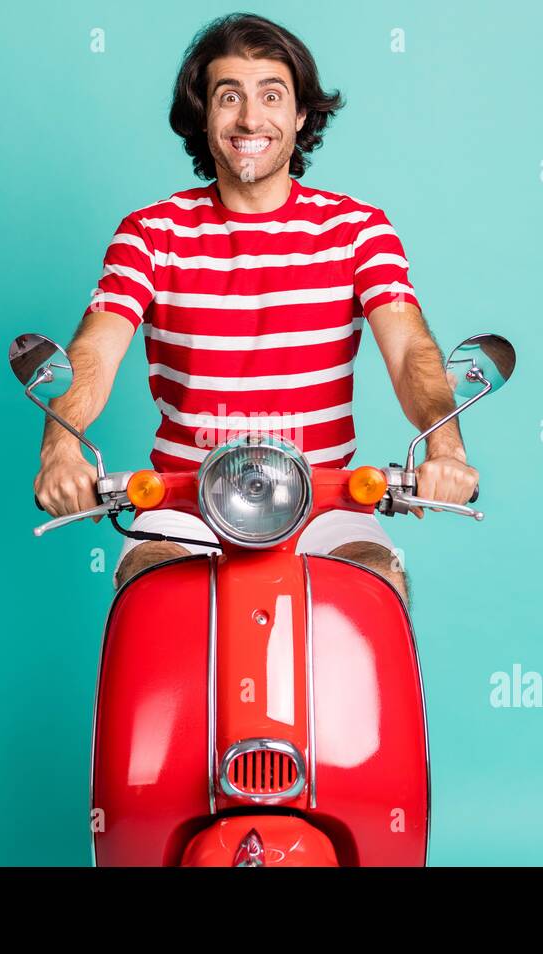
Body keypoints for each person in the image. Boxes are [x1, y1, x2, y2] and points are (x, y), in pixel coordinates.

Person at [33, 13, 478, 604]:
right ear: (203, 115)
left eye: (272, 95)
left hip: (327, 499)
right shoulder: (150, 233)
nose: (250, 118)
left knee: (374, 590)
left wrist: (445, 448)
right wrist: (61, 448)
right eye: (228, 96)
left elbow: (408, 351)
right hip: (183, 502)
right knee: (153, 599)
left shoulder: (357, 230)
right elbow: (95, 350)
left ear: (300, 114)